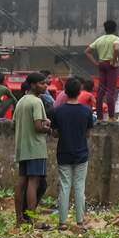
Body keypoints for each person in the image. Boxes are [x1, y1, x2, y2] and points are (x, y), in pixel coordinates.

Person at [50, 77, 95, 229]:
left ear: (65, 91)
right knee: (79, 187)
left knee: (64, 186)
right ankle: (80, 221)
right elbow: (88, 133)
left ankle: (62, 222)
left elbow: (55, 133)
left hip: (63, 152)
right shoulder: (86, 111)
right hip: (81, 153)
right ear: (79, 92)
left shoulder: (58, 111)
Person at [12, 74, 52, 225]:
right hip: (36, 148)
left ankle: (19, 219)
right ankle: (32, 219)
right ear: (33, 85)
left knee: (22, 182)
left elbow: (13, 124)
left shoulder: (21, 101)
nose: (45, 86)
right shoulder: (36, 101)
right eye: (42, 83)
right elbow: (38, 126)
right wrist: (48, 128)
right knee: (34, 183)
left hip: (22, 148)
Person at [85, 19, 119, 121]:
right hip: (111, 65)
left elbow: (87, 51)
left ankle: (100, 118)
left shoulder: (99, 39)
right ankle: (111, 117)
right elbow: (116, 49)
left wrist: (95, 62)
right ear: (115, 29)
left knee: (101, 91)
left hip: (101, 64)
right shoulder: (116, 38)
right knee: (110, 91)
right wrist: (114, 60)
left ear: (105, 29)